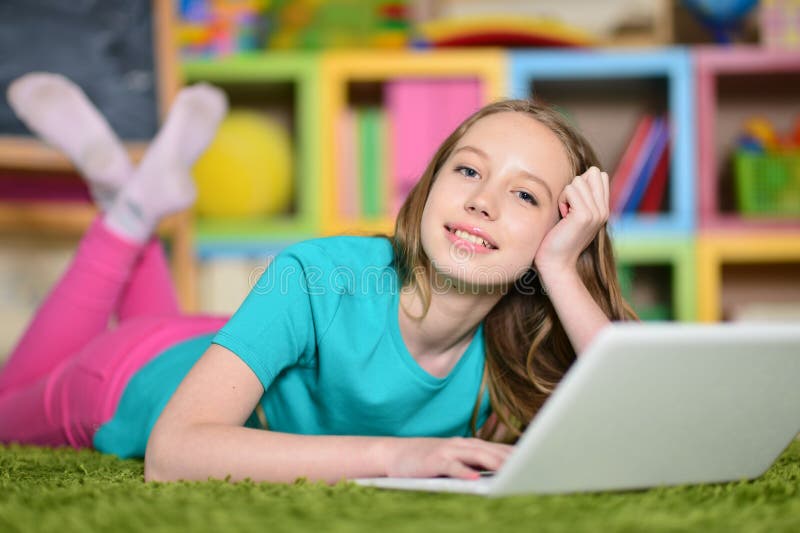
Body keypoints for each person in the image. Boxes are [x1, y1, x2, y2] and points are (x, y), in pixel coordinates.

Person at [0, 73, 636, 485]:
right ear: (430, 186)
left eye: (525, 196)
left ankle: (130, 197)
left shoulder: (503, 360)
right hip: (129, 380)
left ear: (557, 231)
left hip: (221, 340)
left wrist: (560, 269)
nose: (483, 201)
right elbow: (174, 452)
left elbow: (633, 429)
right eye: (469, 172)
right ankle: (127, 212)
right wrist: (397, 459)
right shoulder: (315, 275)